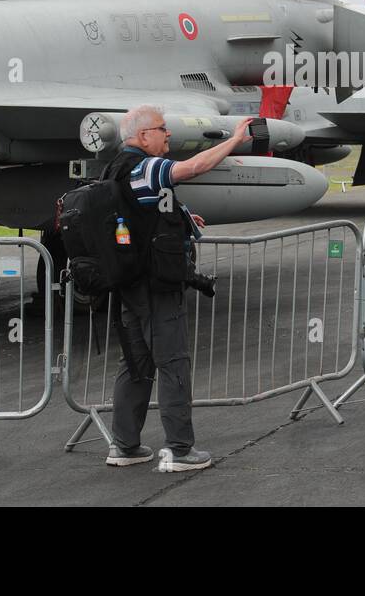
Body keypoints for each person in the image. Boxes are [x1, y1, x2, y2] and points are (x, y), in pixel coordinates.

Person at [106, 105, 253, 472]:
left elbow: (141, 213)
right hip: (157, 286)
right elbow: (193, 168)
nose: (168, 134)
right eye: (161, 129)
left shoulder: (115, 169)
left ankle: (123, 446)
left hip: (129, 283)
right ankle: (180, 449)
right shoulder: (148, 166)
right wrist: (235, 140)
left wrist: (181, 216)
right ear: (142, 137)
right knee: (172, 364)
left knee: (135, 365)